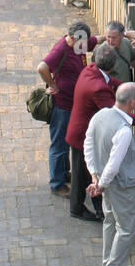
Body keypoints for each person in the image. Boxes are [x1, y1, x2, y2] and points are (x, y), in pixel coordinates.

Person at [66, 44, 135, 222]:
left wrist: (131, 89)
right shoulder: (99, 88)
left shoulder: (91, 69)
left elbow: (112, 83)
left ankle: (94, 208)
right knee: (82, 175)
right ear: (112, 65)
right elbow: (117, 114)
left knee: (85, 172)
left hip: (79, 128)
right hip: (82, 134)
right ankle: (77, 209)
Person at [86, 83, 135, 266]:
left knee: (110, 221)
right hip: (121, 185)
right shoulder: (124, 131)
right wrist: (100, 184)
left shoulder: (100, 115)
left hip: (106, 182)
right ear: (131, 103)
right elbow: (114, 164)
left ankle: (111, 265)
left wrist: (94, 174)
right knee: (127, 228)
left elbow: (89, 144)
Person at [36, 20, 97, 197]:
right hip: (62, 106)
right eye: (81, 43)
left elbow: (95, 40)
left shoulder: (80, 43)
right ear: (71, 38)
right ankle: (57, 184)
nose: (83, 47)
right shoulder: (61, 49)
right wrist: (53, 85)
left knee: (65, 142)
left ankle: (63, 173)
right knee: (59, 145)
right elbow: (42, 67)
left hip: (72, 104)